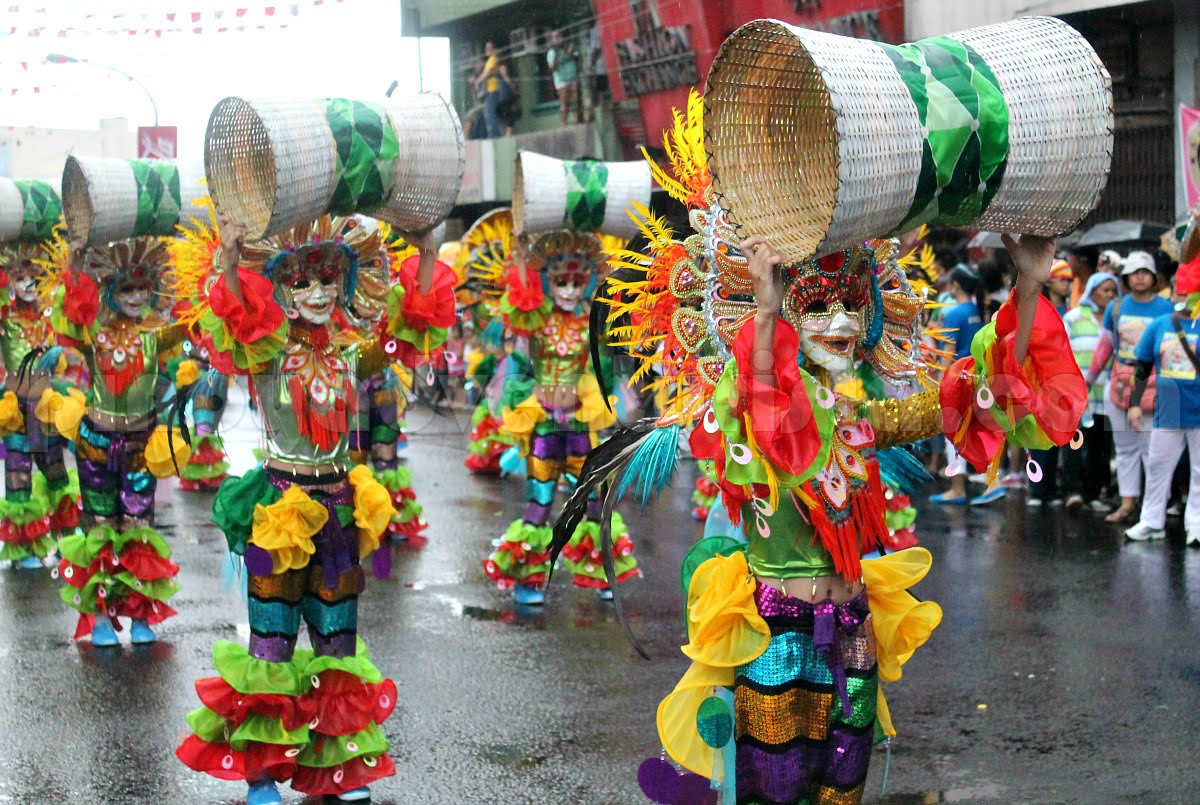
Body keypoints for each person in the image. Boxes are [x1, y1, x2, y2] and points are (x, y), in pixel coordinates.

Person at [174, 214, 455, 804]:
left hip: (339, 513)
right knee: (271, 645)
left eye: (329, 279)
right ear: (278, 291)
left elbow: (409, 329)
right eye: (302, 282)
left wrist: (428, 255)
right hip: (279, 514)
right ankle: (262, 774)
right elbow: (236, 316)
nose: (319, 293)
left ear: (347, 285)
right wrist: (232, 262)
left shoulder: (352, 355)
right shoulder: (268, 351)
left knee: (336, 643)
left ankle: (338, 768)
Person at [482, 230, 638, 605]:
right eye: (561, 282)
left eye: (577, 282)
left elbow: (605, 367)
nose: (569, 290)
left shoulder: (593, 321)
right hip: (544, 428)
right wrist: (528, 391)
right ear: (546, 282)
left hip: (580, 425)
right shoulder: (534, 321)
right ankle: (528, 580)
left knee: (594, 501)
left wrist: (611, 394)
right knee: (540, 501)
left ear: (589, 282)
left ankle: (599, 572)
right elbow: (516, 363)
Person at [50, 236, 188, 645]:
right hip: (95, 444)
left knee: (139, 529)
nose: (136, 296)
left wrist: (211, 268)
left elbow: (192, 319)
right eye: (127, 288)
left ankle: (140, 616)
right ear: (110, 291)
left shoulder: (155, 336)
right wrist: (76, 265)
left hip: (141, 447)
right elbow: (73, 314)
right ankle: (100, 618)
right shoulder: (94, 333)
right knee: (100, 528)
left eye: (144, 288)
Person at [0, 240, 83, 569]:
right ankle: (25, 549)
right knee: (18, 474)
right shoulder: (6, 320)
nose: (28, 283)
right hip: (15, 410)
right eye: (20, 277)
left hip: (46, 408)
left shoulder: (50, 316)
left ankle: (66, 540)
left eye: (34, 275)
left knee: (55, 471)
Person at [1086, 250, 1175, 523]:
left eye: (1145, 272)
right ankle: (1127, 503)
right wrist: (1089, 380)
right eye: (1134, 273)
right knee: (1124, 448)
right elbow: (1105, 346)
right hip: (1119, 382)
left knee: (1151, 450)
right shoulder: (1116, 308)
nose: (1139, 277)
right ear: (1126, 278)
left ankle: (1152, 509)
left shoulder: (1166, 309)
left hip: (1152, 384)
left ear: (1154, 277)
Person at [1125, 257, 1200, 544]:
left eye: (1191, 292)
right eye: (1181, 291)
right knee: (1157, 467)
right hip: (1167, 412)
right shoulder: (1159, 325)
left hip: (1198, 411)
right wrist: (1134, 403)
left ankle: (1196, 524)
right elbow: (1142, 366)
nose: (1184, 297)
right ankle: (1151, 522)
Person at [930, 265, 1005, 505]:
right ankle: (994, 482)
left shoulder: (954, 314)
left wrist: (938, 384)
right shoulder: (977, 310)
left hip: (958, 380)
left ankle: (958, 488)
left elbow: (948, 353)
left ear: (956, 286)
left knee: (954, 434)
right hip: (978, 377)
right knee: (979, 430)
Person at [1061, 271, 1120, 511]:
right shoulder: (1074, 317)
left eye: (1113, 291)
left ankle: (1094, 493)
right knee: (1075, 441)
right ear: (1092, 292)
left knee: (1100, 444)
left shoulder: (1117, 320)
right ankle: (1072, 490)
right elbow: (1061, 350)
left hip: (1106, 392)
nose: (1109, 295)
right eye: (1105, 290)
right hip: (1077, 392)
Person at [1026, 259, 1076, 506]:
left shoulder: (1072, 313)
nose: (1066, 285)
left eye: (1069, 280)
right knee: (1039, 432)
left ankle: (1052, 488)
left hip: (1063, 379)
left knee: (1059, 434)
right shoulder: (1036, 309)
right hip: (1039, 378)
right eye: (1061, 279)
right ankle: (1037, 490)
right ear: (1049, 282)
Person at [473, 41, 514, 139]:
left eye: (489, 48)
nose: (487, 50)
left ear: (494, 49)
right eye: (486, 48)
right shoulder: (489, 61)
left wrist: (478, 81)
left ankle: (494, 135)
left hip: (494, 90)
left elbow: (487, 73)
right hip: (490, 90)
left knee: (489, 113)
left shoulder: (493, 59)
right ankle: (492, 134)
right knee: (487, 113)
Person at [547, 30, 580, 126]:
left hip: (572, 77)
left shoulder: (569, 47)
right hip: (561, 80)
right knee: (564, 103)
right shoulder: (551, 52)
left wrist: (568, 50)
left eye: (558, 36)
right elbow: (552, 68)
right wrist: (556, 55)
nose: (557, 39)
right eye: (554, 37)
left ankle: (578, 122)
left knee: (576, 101)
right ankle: (564, 123)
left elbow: (576, 57)